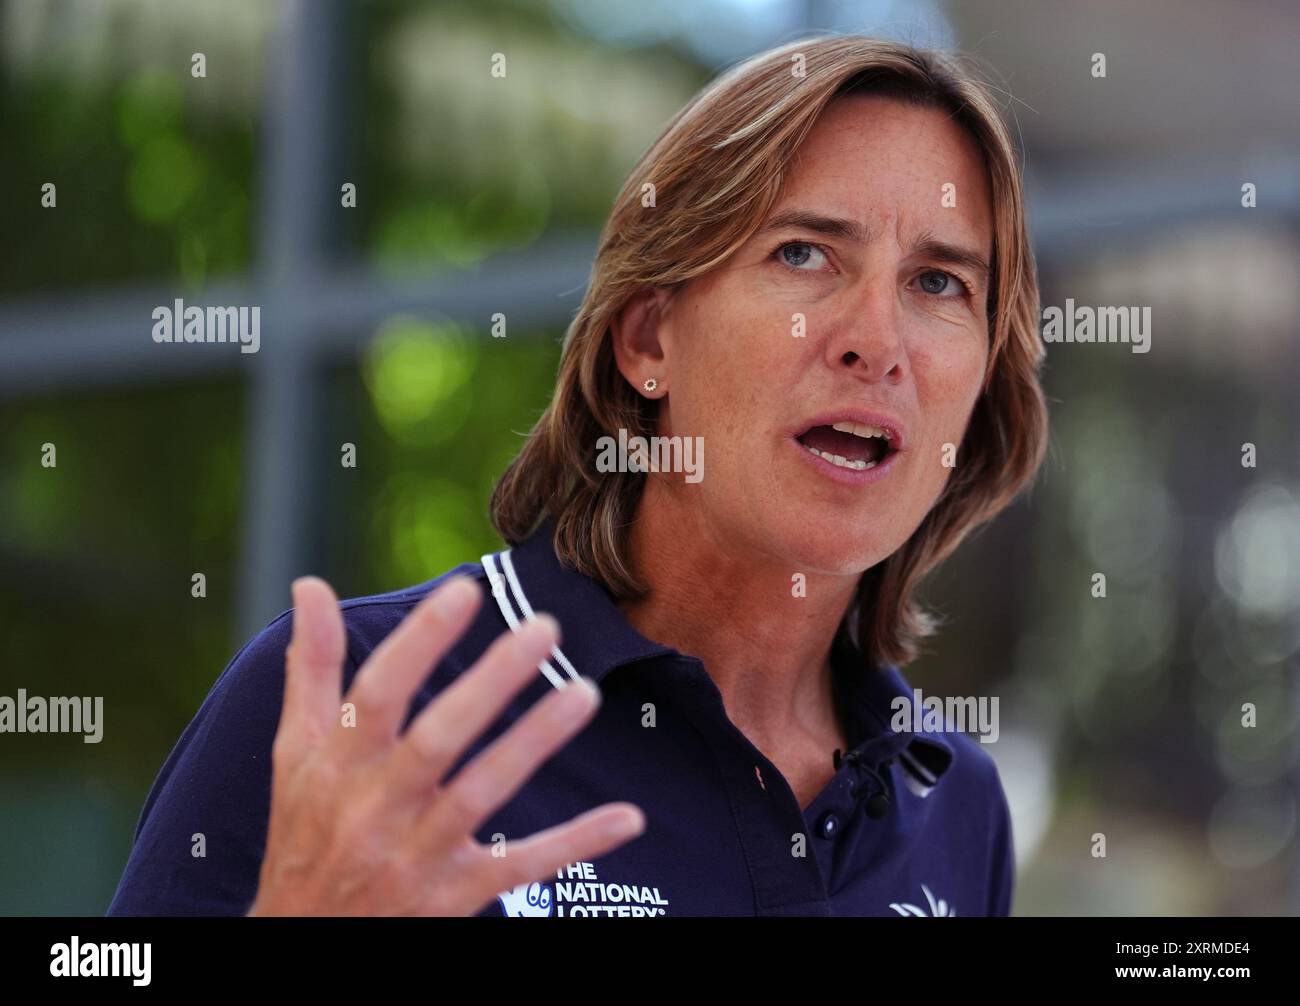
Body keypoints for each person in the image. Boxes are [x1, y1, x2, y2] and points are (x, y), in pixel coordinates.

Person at [107, 34, 1047, 918]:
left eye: (939, 284)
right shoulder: (366, 702)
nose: (876, 343)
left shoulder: (956, 805)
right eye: (803, 253)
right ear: (647, 340)